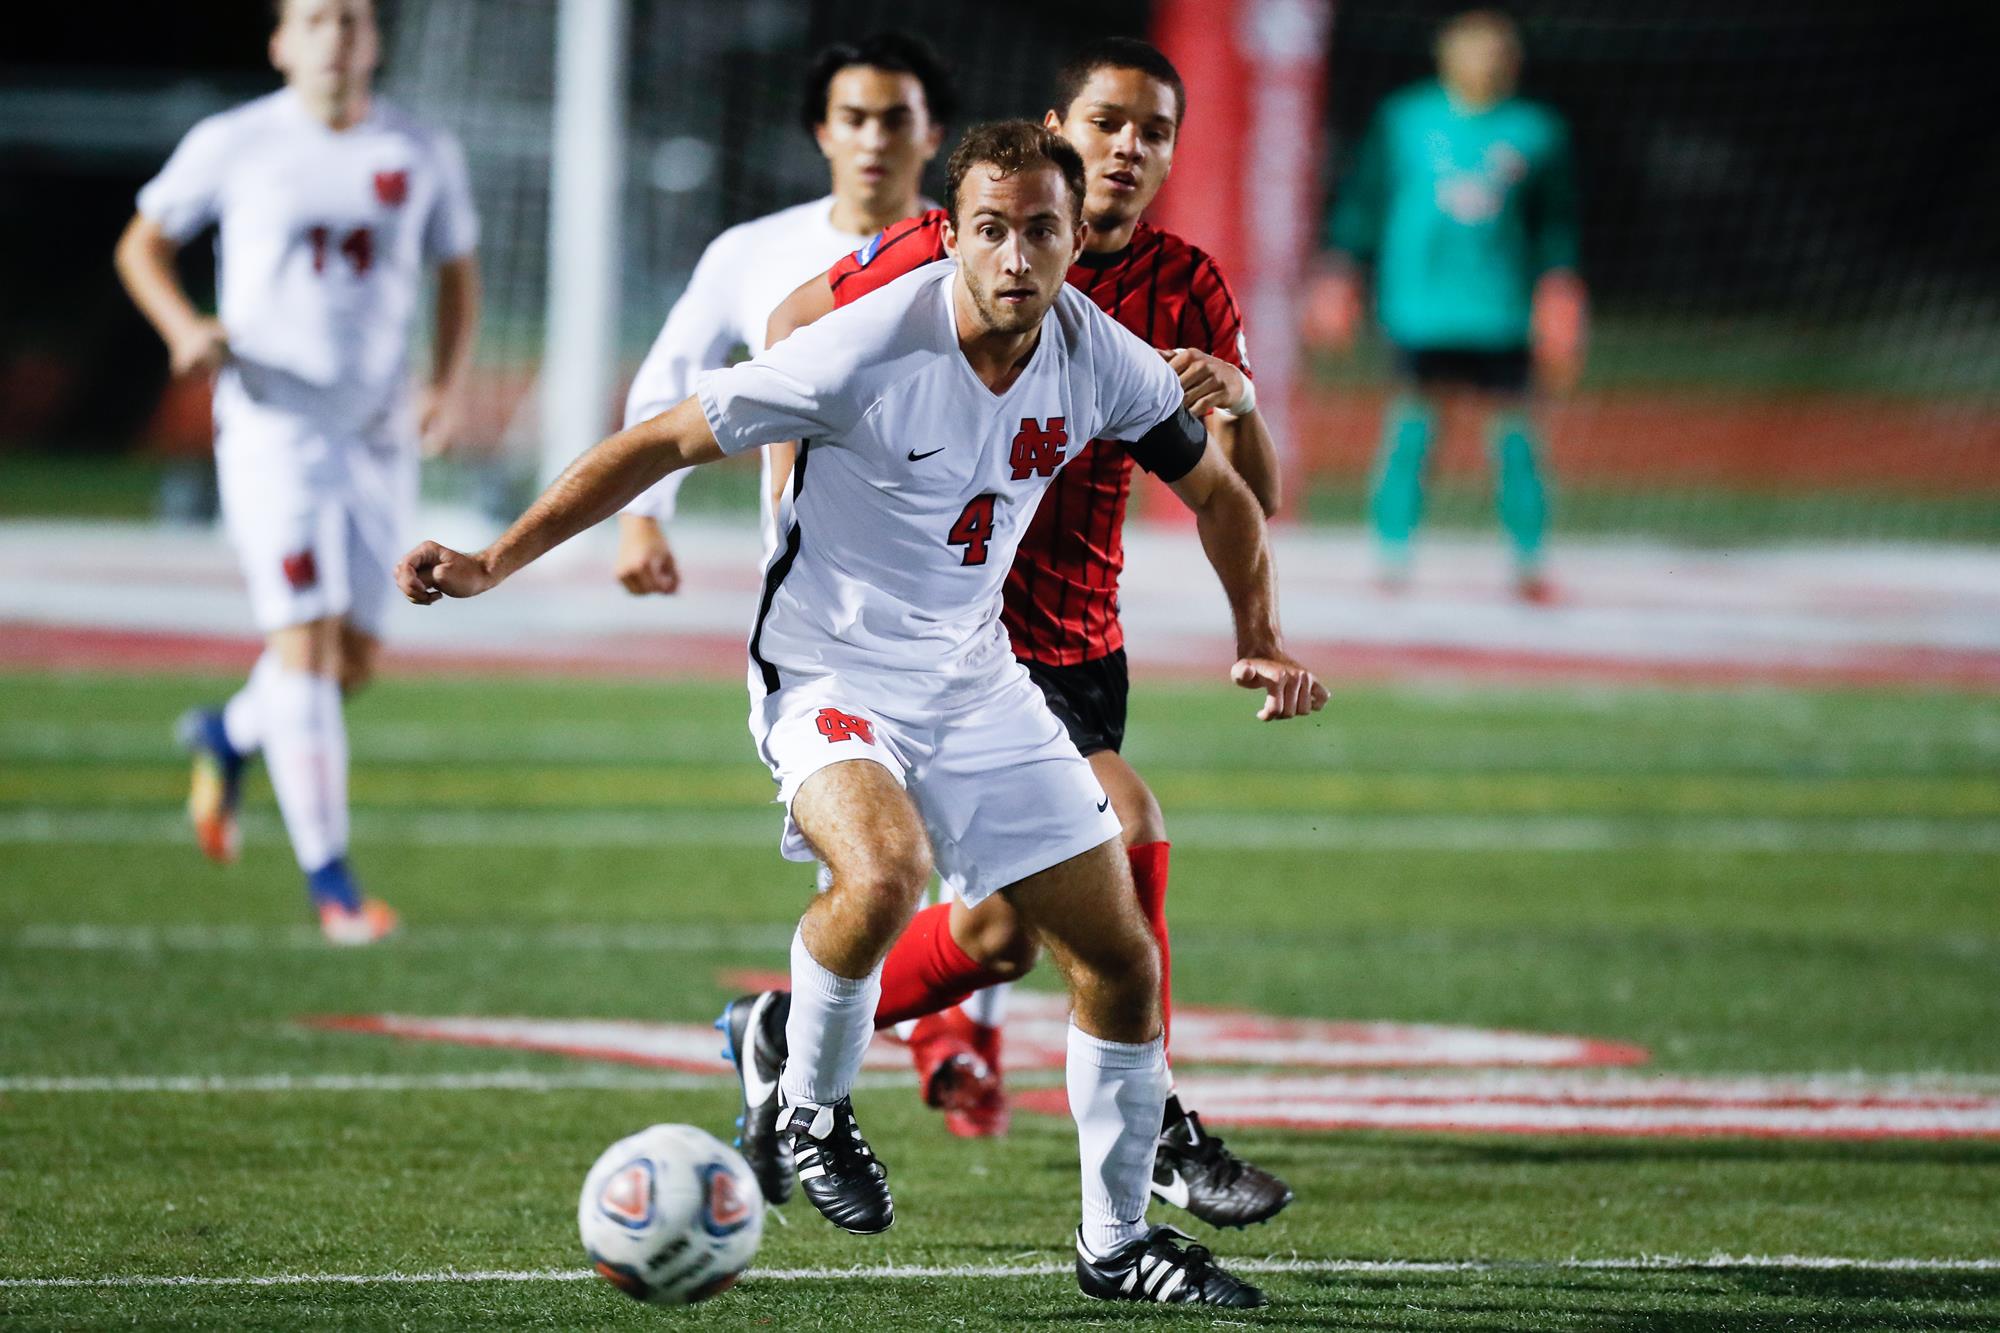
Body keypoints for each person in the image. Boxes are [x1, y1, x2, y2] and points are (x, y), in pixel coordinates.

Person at [397, 121, 1322, 1307]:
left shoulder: (1103, 356)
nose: (1015, 255)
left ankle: (1114, 1239)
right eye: (989, 229)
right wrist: (491, 561)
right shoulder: (865, 347)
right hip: (823, 669)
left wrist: (1258, 635)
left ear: (1072, 237)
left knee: (1118, 957)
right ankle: (812, 1108)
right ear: (950, 233)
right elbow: (657, 441)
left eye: (1042, 229)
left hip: (978, 680)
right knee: (885, 873)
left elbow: (1223, 494)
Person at [744, 37, 1292, 1231]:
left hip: (1076, 638)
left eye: (1153, 131)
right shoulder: (978, 234)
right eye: (1107, 123)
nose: (1128, 149)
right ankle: (1161, 1139)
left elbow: (1251, 490)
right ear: (1060, 128)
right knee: (1129, 835)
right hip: (947, 642)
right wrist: (798, 509)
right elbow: (794, 329)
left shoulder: (1187, 286)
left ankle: (784, 1028)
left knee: (996, 938)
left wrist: (1239, 408)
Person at [113, 0, 480, 943]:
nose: (338, 35)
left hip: (377, 431)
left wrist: (443, 382)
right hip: (274, 429)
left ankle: (227, 734)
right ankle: (335, 887)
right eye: (317, 18)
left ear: (376, 40)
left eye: (354, 19)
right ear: (280, 41)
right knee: (306, 649)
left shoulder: (419, 148)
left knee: (352, 659)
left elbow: (457, 268)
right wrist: (184, 328)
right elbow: (142, 243)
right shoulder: (234, 142)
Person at [613, 32, 950, 591]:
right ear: (823, 133)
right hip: (806, 585)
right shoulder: (750, 251)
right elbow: (670, 377)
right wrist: (641, 515)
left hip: (953, 575)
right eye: (854, 118)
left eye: (895, 120)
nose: (874, 140)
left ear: (932, 134)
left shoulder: (981, 257)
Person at [1303, 8, 1584, 601]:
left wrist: (1560, 289)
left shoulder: (1537, 131)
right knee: (1412, 430)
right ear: (1446, 55)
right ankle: (1393, 556)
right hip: (1419, 306)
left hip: (1498, 310)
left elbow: (1554, 226)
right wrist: (1340, 271)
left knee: (1513, 437)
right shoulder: (1406, 119)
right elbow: (1365, 201)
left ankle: (1529, 562)